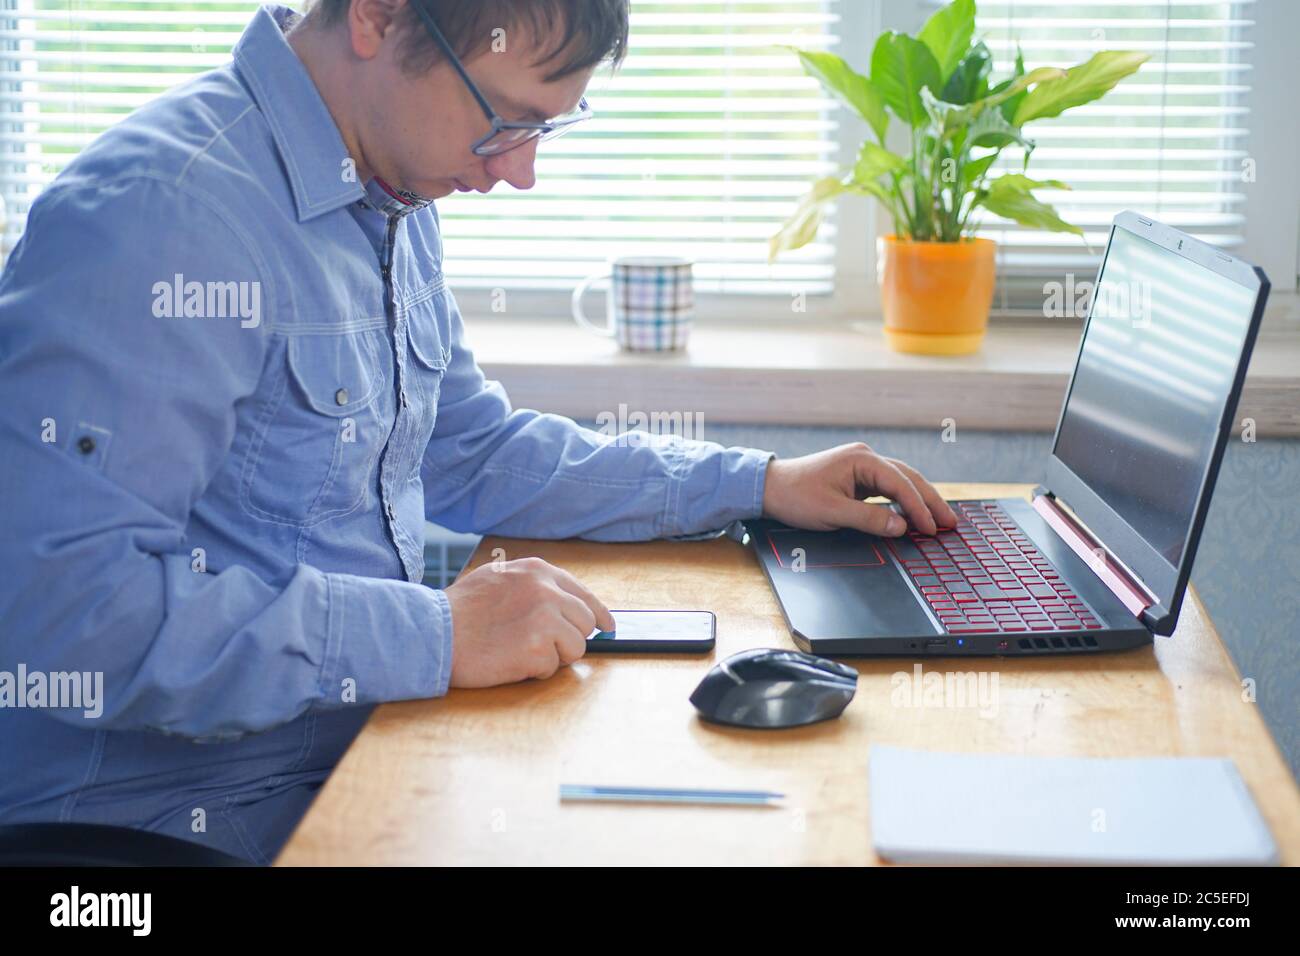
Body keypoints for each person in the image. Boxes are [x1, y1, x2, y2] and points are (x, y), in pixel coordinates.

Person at [0, 0, 955, 864]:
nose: (522, 172)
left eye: (547, 128)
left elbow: (471, 450)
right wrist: (435, 634)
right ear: (377, 16)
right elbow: (66, 624)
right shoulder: (160, 220)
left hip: (357, 758)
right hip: (149, 830)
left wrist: (756, 483)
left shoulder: (387, 187)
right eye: (506, 120)